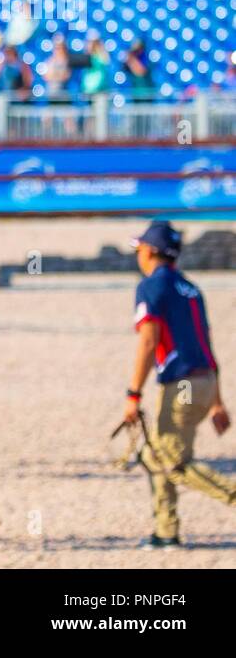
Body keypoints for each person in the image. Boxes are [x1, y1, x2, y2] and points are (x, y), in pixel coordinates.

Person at [123, 220, 235, 548]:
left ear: (151, 252)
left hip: (182, 384)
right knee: (157, 452)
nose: (137, 255)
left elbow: (148, 341)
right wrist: (216, 400)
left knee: (171, 460)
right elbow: (206, 345)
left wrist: (133, 394)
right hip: (205, 380)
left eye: (140, 248)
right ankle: (166, 530)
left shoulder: (150, 287)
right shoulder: (190, 288)